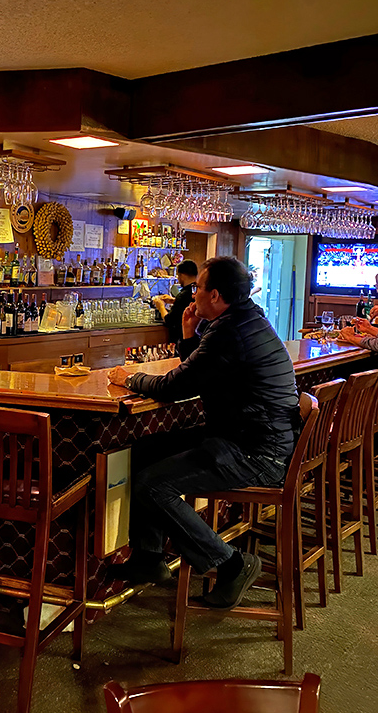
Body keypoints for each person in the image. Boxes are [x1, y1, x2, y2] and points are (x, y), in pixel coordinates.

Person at [108, 256, 300, 609]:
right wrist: (187, 336)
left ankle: (233, 563)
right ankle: (149, 556)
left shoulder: (231, 331)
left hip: (255, 452)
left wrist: (129, 378)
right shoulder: (246, 319)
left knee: (153, 485)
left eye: (197, 287)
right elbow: (198, 372)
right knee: (146, 450)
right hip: (254, 438)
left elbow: (171, 387)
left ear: (214, 295)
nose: (192, 293)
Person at [151, 259, 198, 345]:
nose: (178, 279)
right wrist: (174, 300)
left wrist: (161, 306)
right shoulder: (198, 290)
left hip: (183, 339)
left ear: (182, 275)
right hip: (196, 337)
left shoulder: (183, 295)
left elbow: (169, 321)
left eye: (178, 276)